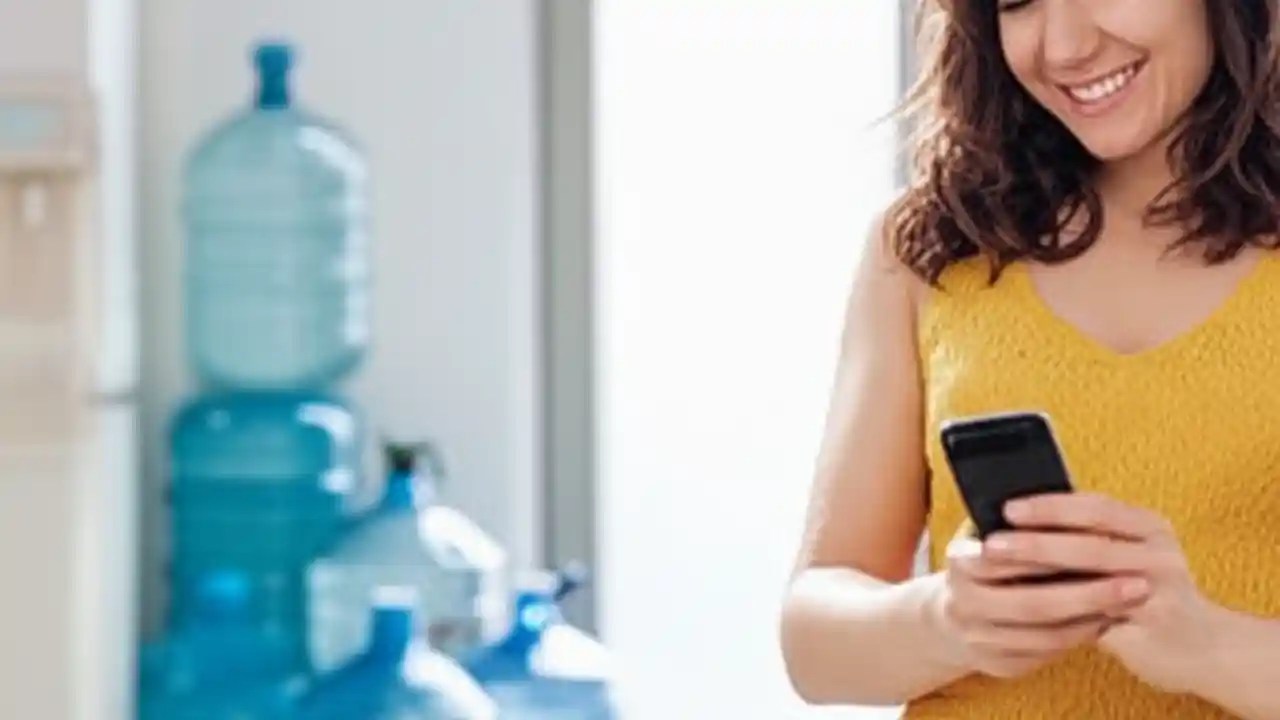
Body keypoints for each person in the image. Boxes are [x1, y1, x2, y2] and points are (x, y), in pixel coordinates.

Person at [779, 0, 1280, 718]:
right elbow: (812, 641)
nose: (1065, 46)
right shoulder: (927, 248)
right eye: (1017, 2)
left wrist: (1207, 646)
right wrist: (947, 619)